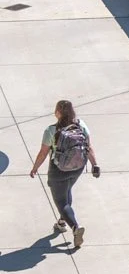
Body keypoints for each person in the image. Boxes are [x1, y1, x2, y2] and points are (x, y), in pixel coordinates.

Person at [28, 99, 99, 249]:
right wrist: (95, 164)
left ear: (58, 113)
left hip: (58, 170)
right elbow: (88, 146)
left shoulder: (51, 130)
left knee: (61, 201)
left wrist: (35, 167)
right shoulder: (81, 125)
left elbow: (43, 152)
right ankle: (61, 222)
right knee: (67, 191)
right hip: (78, 166)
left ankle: (75, 227)